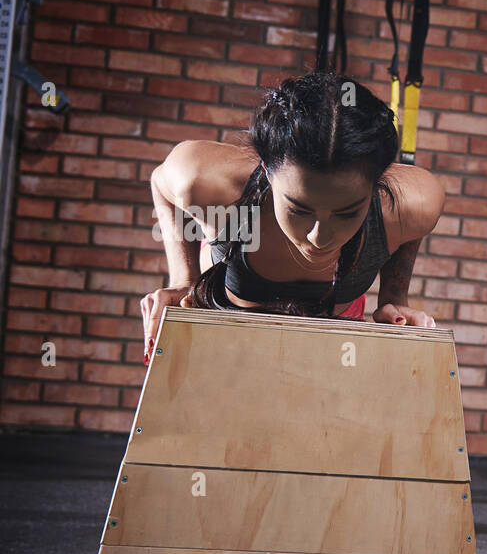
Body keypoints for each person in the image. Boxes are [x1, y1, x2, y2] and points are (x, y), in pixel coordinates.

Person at [140, 70, 445, 363]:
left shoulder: (415, 203)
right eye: (299, 209)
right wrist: (184, 279)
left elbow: (411, 226)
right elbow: (160, 183)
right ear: (267, 173)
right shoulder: (200, 179)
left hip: (328, 340)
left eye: (346, 212)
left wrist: (394, 298)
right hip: (228, 333)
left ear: (376, 188)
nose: (319, 236)